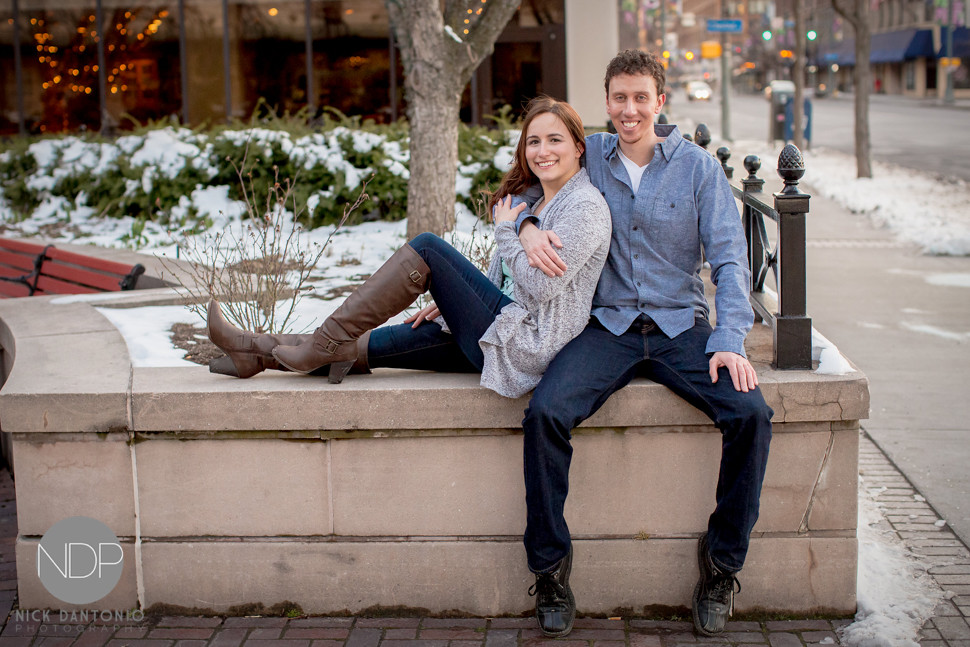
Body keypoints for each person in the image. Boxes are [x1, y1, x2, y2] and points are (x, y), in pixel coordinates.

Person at [512, 50, 773, 638]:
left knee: (751, 414)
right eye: (619, 98)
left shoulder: (698, 169)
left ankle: (722, 565)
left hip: (682, 328)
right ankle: (550, 570)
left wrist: (730, 339)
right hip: (607, 328)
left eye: (640, 98)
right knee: (545, 413)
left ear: (660, 102)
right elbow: (527, 188)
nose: (629, 110)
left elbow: (730, 260)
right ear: (606, 102)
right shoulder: (590, 156)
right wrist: (526, 228)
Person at [207, 96, 612, 409]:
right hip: (500, 333)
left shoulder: (585, 207)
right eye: (533, 142)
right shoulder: (537, 203)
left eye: (555, 140)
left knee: (428, 248)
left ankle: (323, 340)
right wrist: (457, 302)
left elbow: (542, 287)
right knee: (366, 346)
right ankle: (253, 352)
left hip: (527, 347)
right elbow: (508, 283)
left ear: (579, 147)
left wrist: (508, 230)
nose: (542, 151)